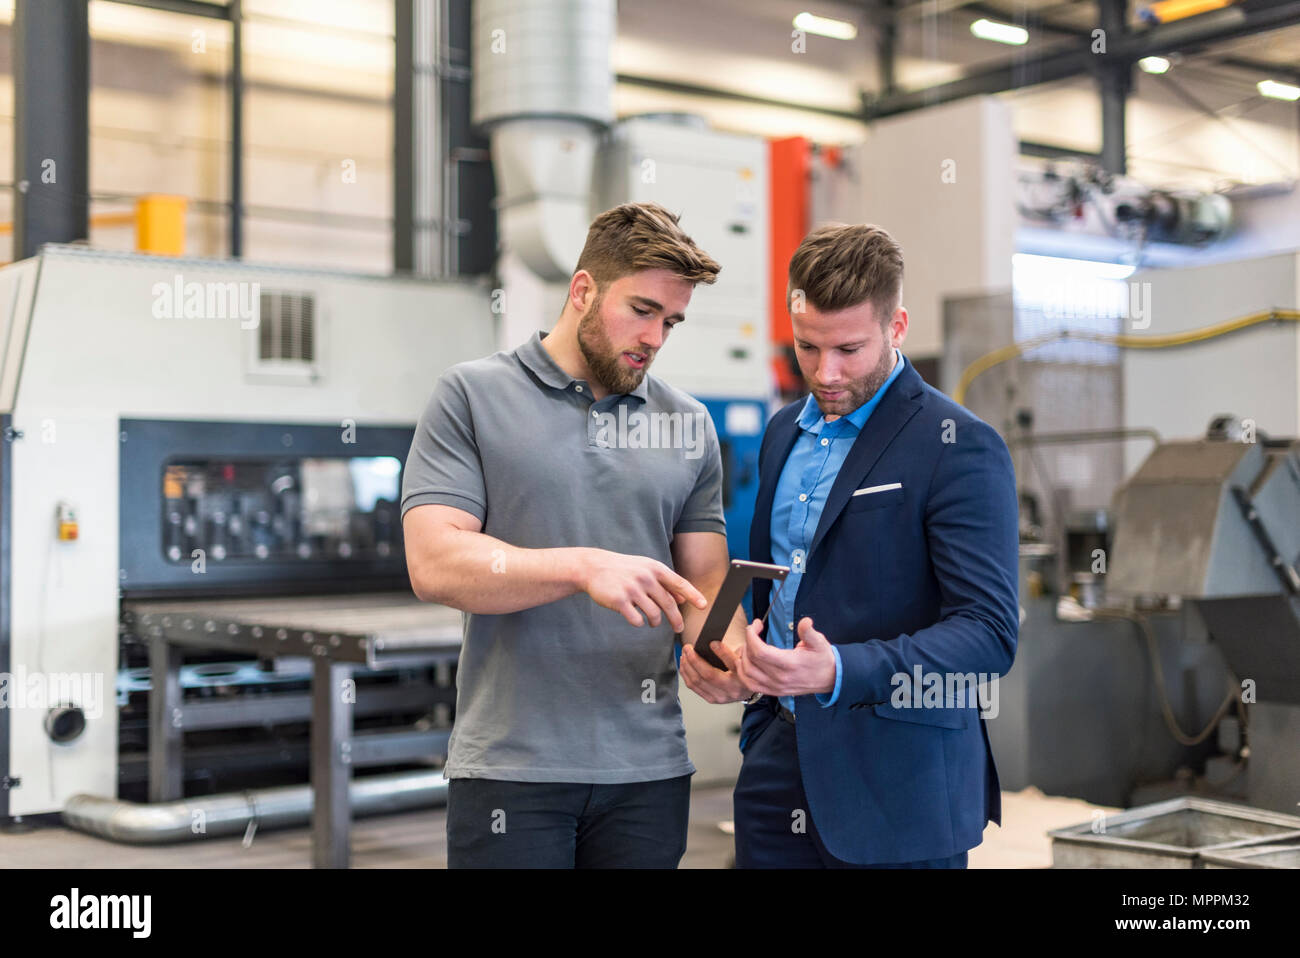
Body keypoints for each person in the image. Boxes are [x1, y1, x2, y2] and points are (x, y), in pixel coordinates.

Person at [402, 202, 747, 868]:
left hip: (647, 772)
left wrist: (723, 648)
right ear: (583, 290)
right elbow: (435, 561)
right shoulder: (472, 396)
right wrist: (582, 566)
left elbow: (705, 577)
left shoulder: (689, 424)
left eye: (670, 322)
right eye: (641, 310)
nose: (654, 337)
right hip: (511, 771)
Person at [679, 223, 1019, 868]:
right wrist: (717, 646)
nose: (826, 373)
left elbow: (988, 635)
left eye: (850, 350)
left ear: (897, 327)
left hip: (898, 787)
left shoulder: (957, 444)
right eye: (807, 348)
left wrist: (839, 670)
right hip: (778, 762)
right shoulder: (783, 432)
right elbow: (769, 579)